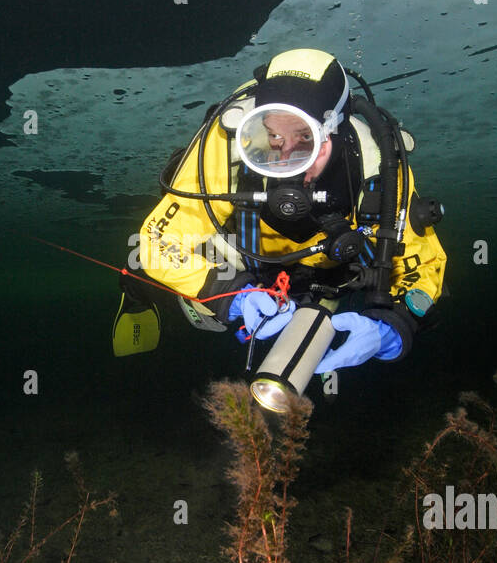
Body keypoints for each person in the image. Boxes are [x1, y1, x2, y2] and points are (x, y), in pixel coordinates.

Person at [113, 48, 446, 389]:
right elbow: (155, 242)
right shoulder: (229, 141)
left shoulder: (377, 160)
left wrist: (393, 327)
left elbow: (425, 263)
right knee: (167, 277)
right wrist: (230, 294)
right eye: (273, 136)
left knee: (325, 319)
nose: (286, 157)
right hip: (241, 256)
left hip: (328, 268)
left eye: (306, 138)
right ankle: (138, 288)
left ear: (335, 129)